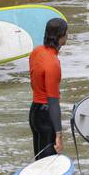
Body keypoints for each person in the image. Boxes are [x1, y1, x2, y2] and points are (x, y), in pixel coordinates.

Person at [29, 18, 68, 158]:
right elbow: (52, 101)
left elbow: (33, 82)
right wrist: (59, 134)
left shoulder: (36, 52)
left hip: (34, 112)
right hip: (46, 116)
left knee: (39, 160)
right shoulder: (53, 63)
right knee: (47, 164)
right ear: (61, 36)